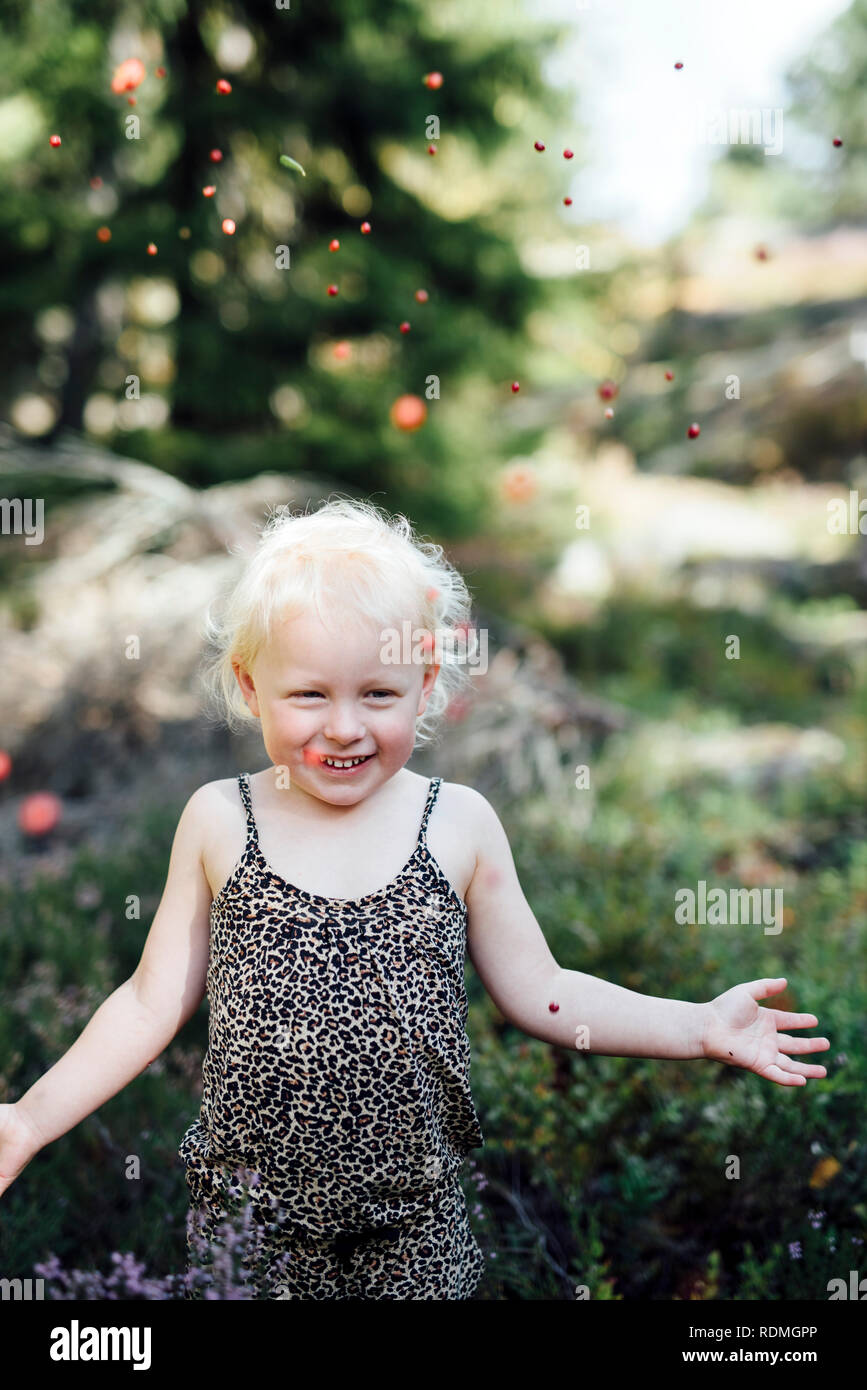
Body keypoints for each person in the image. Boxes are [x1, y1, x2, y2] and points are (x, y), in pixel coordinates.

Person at [0, 497, 830, 1300]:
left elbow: (547, 991)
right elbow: (149, 1003)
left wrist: (697, 1025)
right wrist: (29, 1123)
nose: (345, 727)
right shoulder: (222, 820)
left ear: (425, 683)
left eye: (378, 694)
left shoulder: (456, 824)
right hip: (247, 1223)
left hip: (412, 1230)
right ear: (251, 689)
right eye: (309, 695)